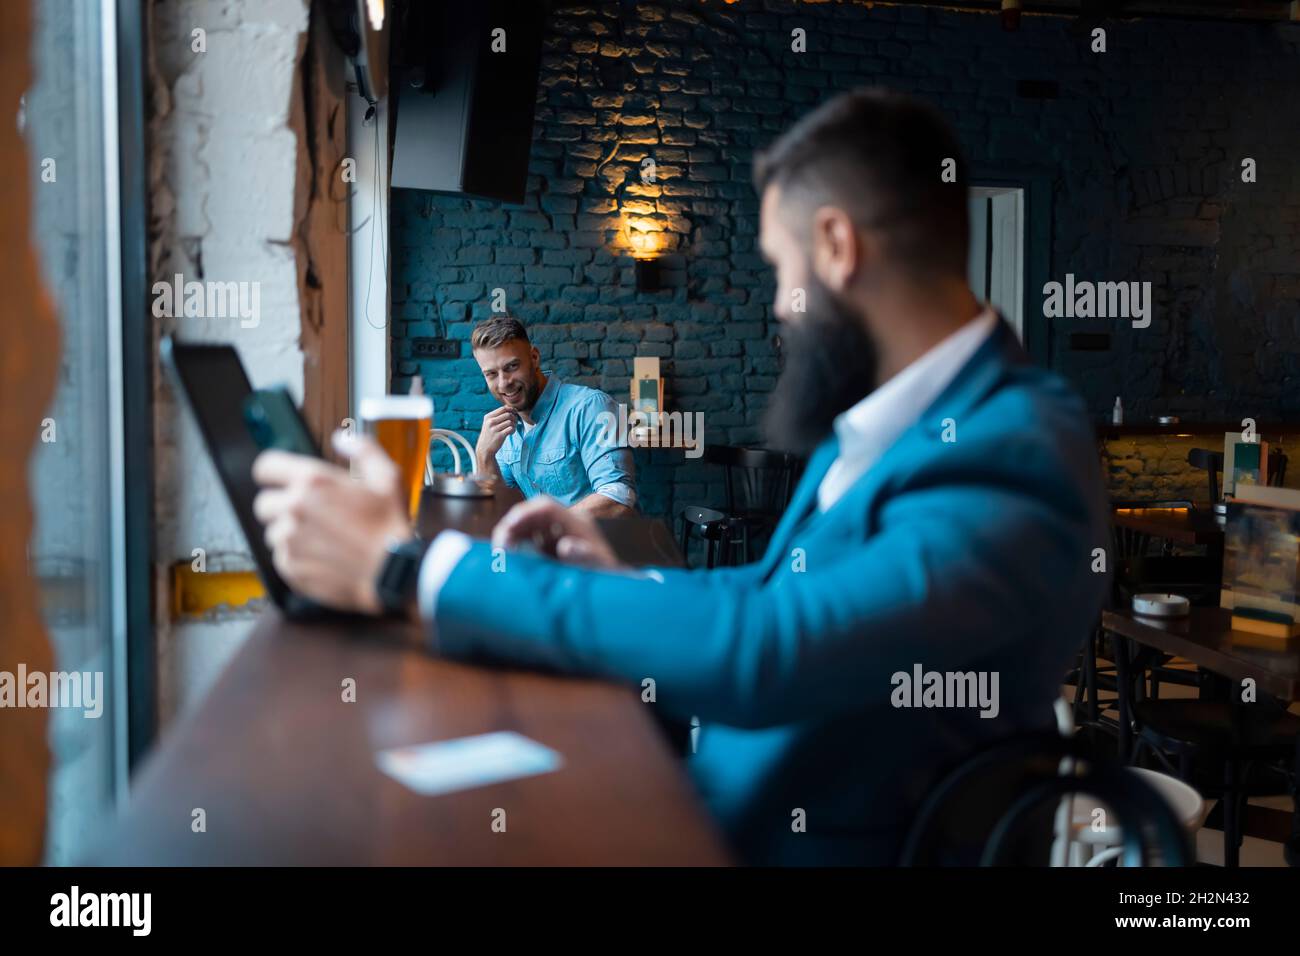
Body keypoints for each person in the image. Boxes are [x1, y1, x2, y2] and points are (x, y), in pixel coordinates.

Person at [252, 88, 1109, 865]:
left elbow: (776, 645)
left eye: (780, 270)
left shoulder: (1017, 447)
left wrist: (407, 570)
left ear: (838, 247)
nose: (779, 305)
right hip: (726, 791)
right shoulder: (902, 420)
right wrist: (616, 573)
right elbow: (772, 596)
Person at [470, 316, 636, 517]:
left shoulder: (591, 406)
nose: (504, 383)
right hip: (539, 546)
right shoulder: (505, 428)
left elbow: (618, 497)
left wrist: (546, 527)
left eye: (512, 366)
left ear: (534, 357)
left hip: (599, 544)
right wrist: (484, 455)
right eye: (491, 374)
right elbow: (499, 509)